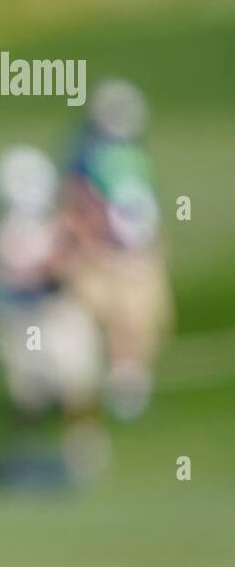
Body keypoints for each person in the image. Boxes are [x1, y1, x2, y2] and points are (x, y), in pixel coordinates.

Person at [0, 145, 105, 484]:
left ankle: (81, 454)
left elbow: (74, 260)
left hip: (57, 309)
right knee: (26, 392)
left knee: (76, 381)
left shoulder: (55, 220)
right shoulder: (5, 227)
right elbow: (11, 272)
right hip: (22, 315)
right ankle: (21, 455)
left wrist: (69, 246)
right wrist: (45, 267)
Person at [61, 79, 172, 422]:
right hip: (100, 258)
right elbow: (77, 206)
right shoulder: (83, 157)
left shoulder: (133, 158)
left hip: (134, 256)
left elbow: (142, 209)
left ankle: (128, 381)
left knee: (141, 319)